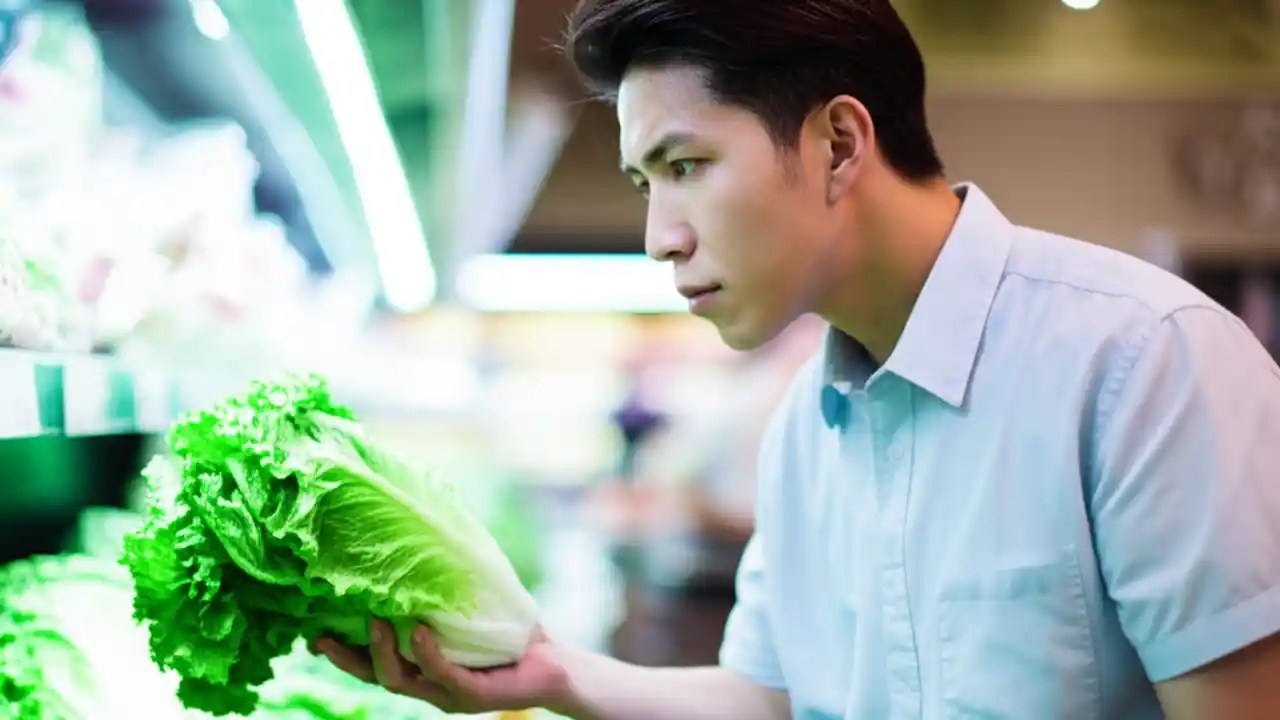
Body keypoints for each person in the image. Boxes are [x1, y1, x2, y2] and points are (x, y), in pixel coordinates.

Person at [315, 1, 1280, 717]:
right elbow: (771, 697)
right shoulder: (805, 434)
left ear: (840, 144)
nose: (658, 237)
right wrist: (554, 675)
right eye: (645, 183)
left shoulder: (1142, 365)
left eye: (686, 167)